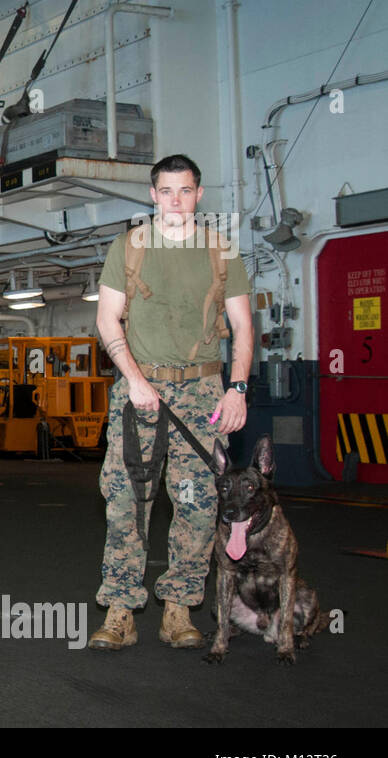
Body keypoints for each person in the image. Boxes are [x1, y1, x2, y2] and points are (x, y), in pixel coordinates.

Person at [88, 154, 252, 651]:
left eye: (185, 191)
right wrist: (135, 381)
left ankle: (179, 608)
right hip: (140, 392)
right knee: (126, 503)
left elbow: (244, 327)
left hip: (204, 393)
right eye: (166, 191)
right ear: (152, 195)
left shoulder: (221, 252)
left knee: (199, 504)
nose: (175, 200)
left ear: (199, 194)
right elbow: (107, 320)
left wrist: (238, 387)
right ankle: (120, 609)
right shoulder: (129, 247)